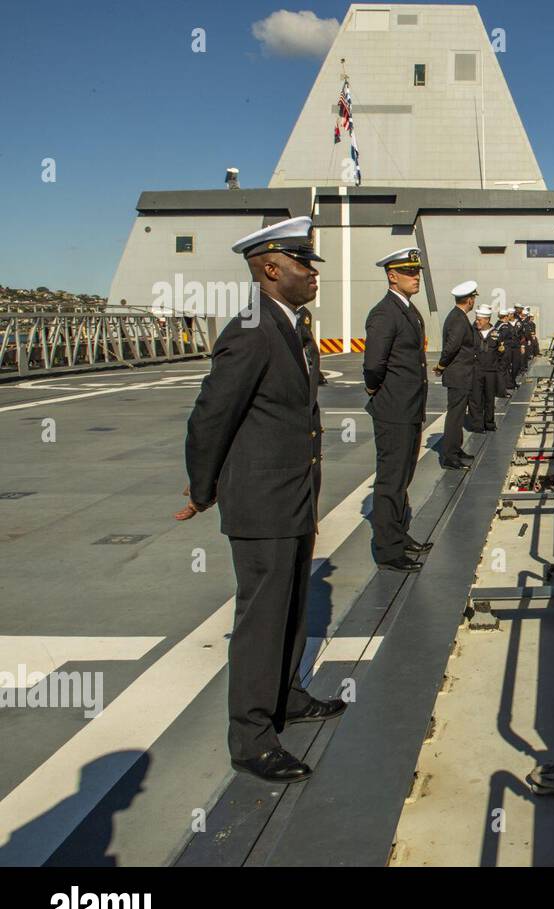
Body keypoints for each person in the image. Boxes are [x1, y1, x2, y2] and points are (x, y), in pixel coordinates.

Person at [176, 215, 345, 785]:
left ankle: (285, 696)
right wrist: (202, 489)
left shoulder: (289, 324)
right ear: (271, 269)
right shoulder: (252, 328)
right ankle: (251, 737)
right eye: (304, 264)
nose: (313, 273)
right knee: (263, 617)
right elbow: (212, 414)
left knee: (293, 605)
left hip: (292, 494)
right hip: (261, 499)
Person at [362, 247, 432, 573]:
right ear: (392, 276)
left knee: (403, 476)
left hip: (409, 407)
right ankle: (388, 549)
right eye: (409, 272)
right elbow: (373, 364)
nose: (416, 276)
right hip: (394, 409)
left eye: (416, 271)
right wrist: (376, 389)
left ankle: (400, 534)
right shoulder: (384, 313)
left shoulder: (409, 310)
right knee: (391, 479)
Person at [433, 280, 481, 469]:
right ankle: (449, 456)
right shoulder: (458, 319)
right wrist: (441, 366)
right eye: (473, 299)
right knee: (455, 416)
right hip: (459, 375)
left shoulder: (456, 317)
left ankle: (455, 449)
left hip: (461, 375)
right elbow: (452, 347)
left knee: (459, 415)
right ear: (469, 300)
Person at [467, 305, 502, 432]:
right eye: (476, 319)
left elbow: (500, 352)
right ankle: (477, 425)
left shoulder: (497, 333)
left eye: (479, 320)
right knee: (475, 398)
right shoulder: (472, 332)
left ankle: (489, 423)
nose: (477, 322)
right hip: (476, 369)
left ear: (487, 320)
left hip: (491, 371)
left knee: (489, 398)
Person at [491, 307, 514, 397]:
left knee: (502, 370)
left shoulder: (497, 324)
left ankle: (502, 389)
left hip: (501, 349)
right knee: (502, 371)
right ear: (505, 316)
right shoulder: (504, 326)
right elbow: (501, 338)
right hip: (504, 350)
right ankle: (501, 391)